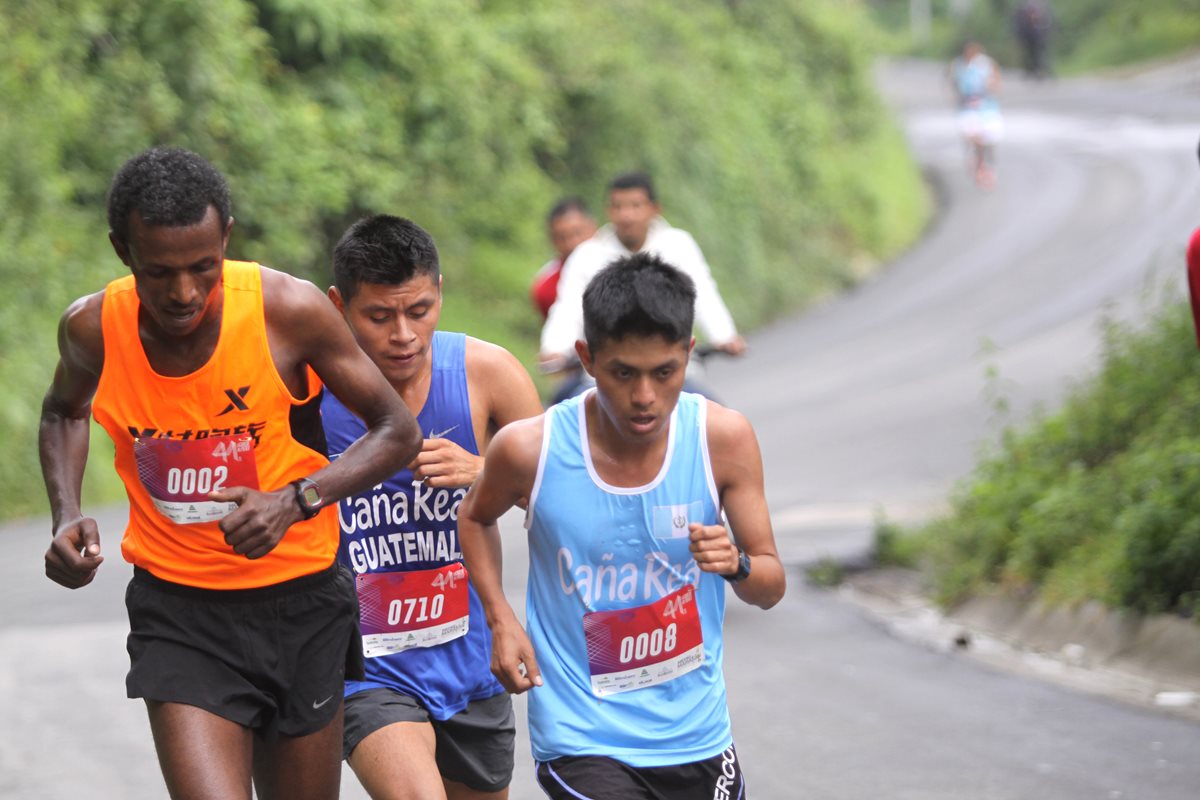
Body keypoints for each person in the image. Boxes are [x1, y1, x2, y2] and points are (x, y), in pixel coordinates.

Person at [39, 147, 423, 800]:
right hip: (180, 610)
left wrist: (295, 500)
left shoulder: (286, 310)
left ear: (227, 239)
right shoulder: (92, 328)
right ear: (122, 250)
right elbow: (63, 412)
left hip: (302, 599)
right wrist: (66, 512)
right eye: (159, 272)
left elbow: (397, 431)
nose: (183, 293)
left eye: (202, 268)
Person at [459, 252, 786, 799]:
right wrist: (500, 618)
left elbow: (770, 587)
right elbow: (475, 516)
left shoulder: (721, 440)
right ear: (587, 358)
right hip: (583, 735)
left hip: (697, 735)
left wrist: (737, 564)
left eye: (665, 373)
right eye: (623, 374)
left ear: (688, 353)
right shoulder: (530, 448)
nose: (644, 398)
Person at [324, 214, 544, 799]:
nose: (403, 335)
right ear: (338, 305)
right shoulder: (308, 390)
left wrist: (483, 472)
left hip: (471, 661)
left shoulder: (486, 374)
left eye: (419, 310)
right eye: (379, 316)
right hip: (365, 671)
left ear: (440, 291)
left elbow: (564, 491)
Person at [538, 171, 746, 380]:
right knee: (559, 408)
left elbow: (703, 292)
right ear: (608, 211)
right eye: (618, 207)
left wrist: (724, 336)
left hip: (670, 376)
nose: (626, 215)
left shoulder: (677, 245)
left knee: (712, 411)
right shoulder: (588, 255)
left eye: (635, 206)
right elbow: (568, 308)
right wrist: (554, 348)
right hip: (604, 380)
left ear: (654, 209)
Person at [530, 197, 598, 321]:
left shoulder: (623, 259)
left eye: (577, 233)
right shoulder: (546, 288)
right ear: (552, 240)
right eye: (562, 237)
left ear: (593, 227)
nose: (571, 243)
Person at [950, 41, 1004, 190]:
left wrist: (991, 85)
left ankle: (988, 167)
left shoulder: (987, 64)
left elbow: (997, 83)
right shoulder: (958, 66)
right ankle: (978, 165)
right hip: (968, 109)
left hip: (987, 108)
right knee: (973, 138)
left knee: (989, 140)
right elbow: (954, 85)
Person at [1013, 0, 1054, 80]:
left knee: (1039, 55)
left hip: (1039, 37)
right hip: (1029, 37)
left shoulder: (1042, 7)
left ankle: (1041, 70)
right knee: (1030, 55)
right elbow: (1020, 24)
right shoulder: (1023, 8)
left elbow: (1048, 23)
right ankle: (1032, 70)